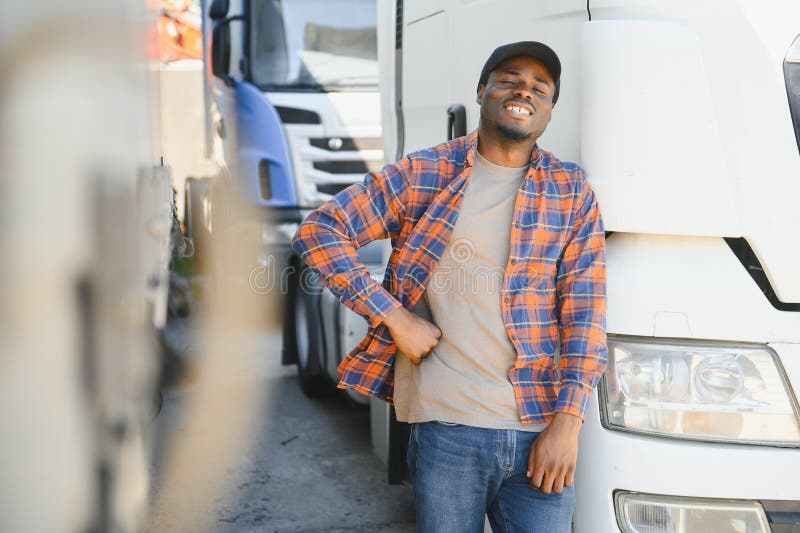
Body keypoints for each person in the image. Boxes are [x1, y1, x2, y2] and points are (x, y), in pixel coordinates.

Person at [292, 41, 607, 533]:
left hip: (539, 427)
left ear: (549, 110)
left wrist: (568, 424)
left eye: (539, 88)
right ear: (482, 91)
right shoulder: (426, 173)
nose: (524, 90)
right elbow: (319, 232)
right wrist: (393, 317)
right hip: (448, 428)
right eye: (509, 79)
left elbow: (585, 314)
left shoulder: (571, 191)